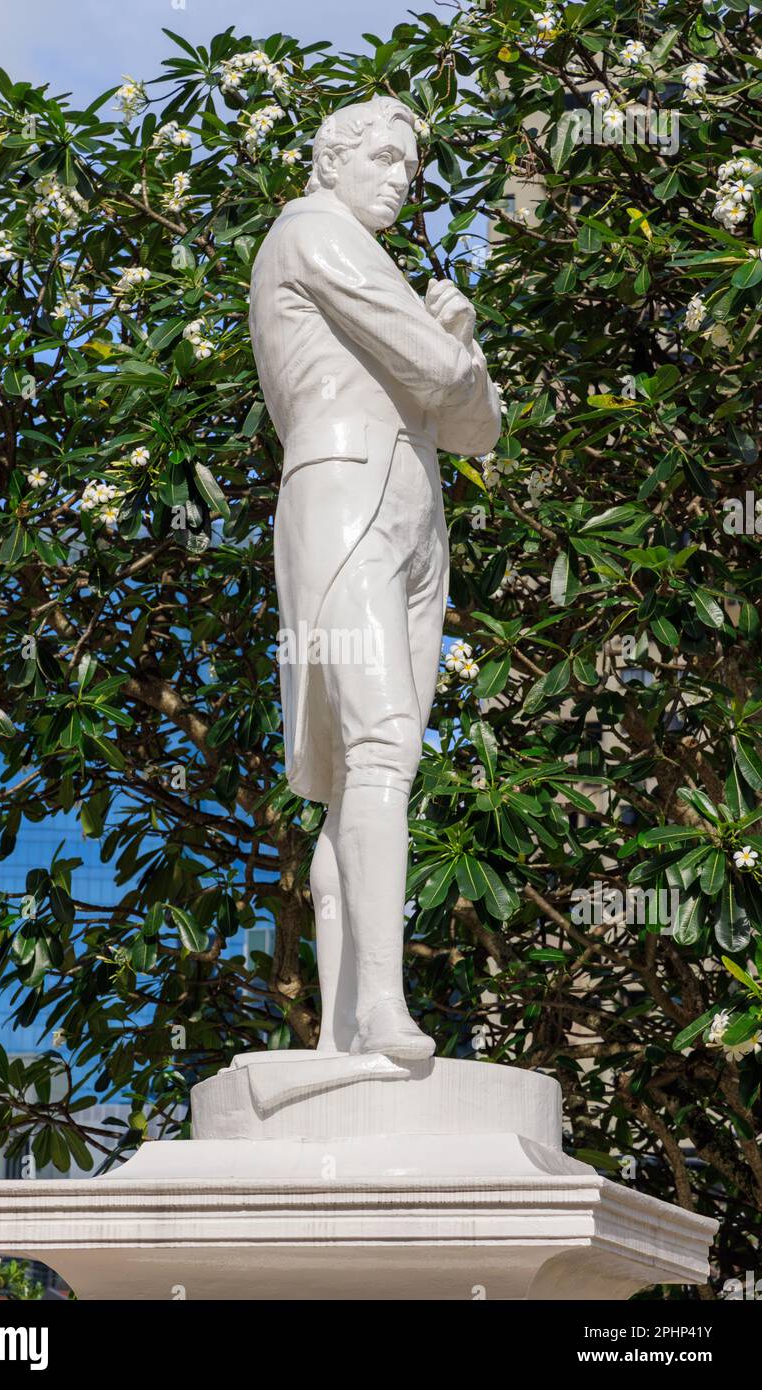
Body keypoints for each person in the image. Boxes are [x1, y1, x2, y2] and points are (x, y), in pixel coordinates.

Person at [249, 96, 502, 1060]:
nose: (401, 177)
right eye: (385, 158)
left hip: (413, 513)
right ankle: (378, 1015)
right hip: (345, 493)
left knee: (365, 768)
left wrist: (457, 359)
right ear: (331, 163)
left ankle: (353, 1023)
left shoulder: (374, 265)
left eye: (411, 165)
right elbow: (441, 373)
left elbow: (476, 427)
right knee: (381, 747)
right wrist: (456, 347)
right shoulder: (313, 231)